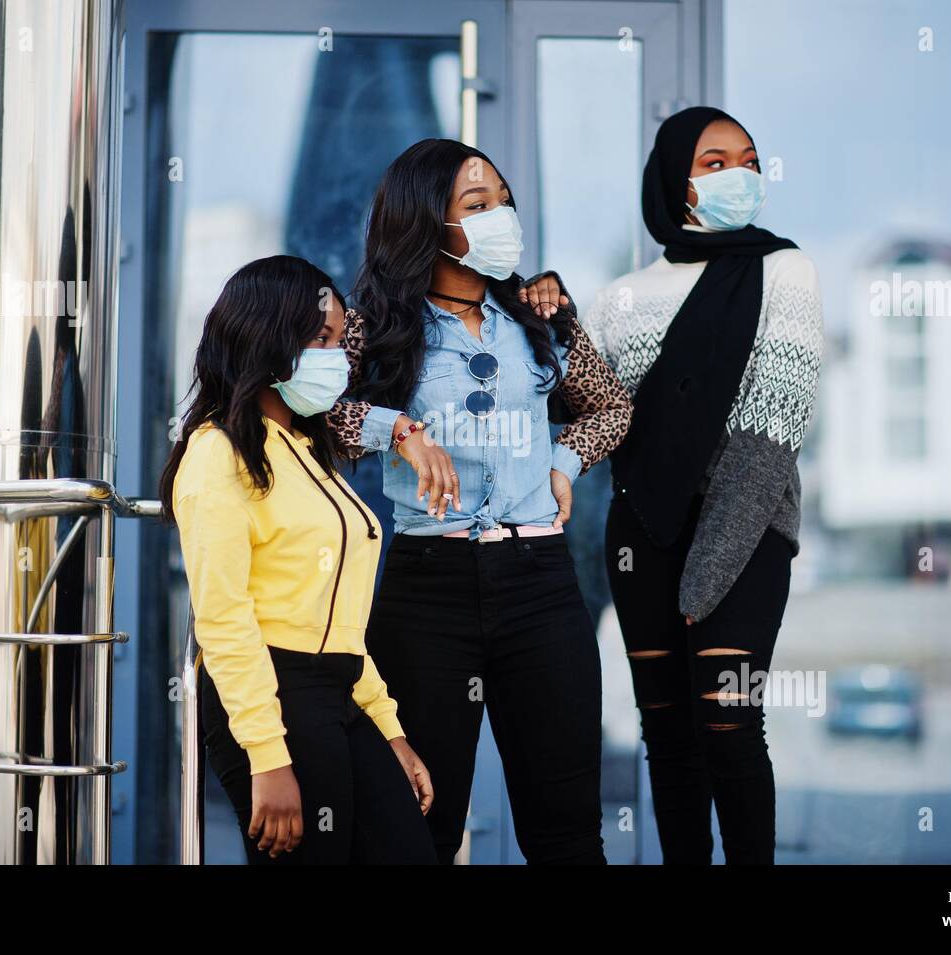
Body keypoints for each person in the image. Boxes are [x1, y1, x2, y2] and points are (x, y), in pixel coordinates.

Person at [326, 139, 633, 864]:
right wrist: (396, 429)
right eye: (477, 203)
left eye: (503, 200)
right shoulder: (373, 327)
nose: (500, 215)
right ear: (426, 222)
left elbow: (613, 407)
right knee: (419, 827)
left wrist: (564, 460)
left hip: (541, 584)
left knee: (566, 834)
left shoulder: (539, 316)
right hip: (428, 590)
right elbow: (321, 414)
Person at [581, 107, 823, 864]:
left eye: (748, 159)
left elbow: (770, 433)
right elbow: (596, 418)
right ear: (675, 180)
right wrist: (549, 325)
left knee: (730, 721)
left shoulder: (786, 271)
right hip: (642, 537)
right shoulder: (619, 298)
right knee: (667, 732)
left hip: (746, 537)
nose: (739, 176)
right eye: (715, 162)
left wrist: (702, 581)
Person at [159, 255, 436, 864]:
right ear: (269, 338)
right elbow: (224, 620)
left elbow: (338, 623)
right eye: (321, 340)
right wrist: (267, 756)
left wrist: (390, 730)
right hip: (273, 695)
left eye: (338, 340)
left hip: (337, 689)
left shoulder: (308, 450)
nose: (337, 357)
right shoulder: (216, 454)